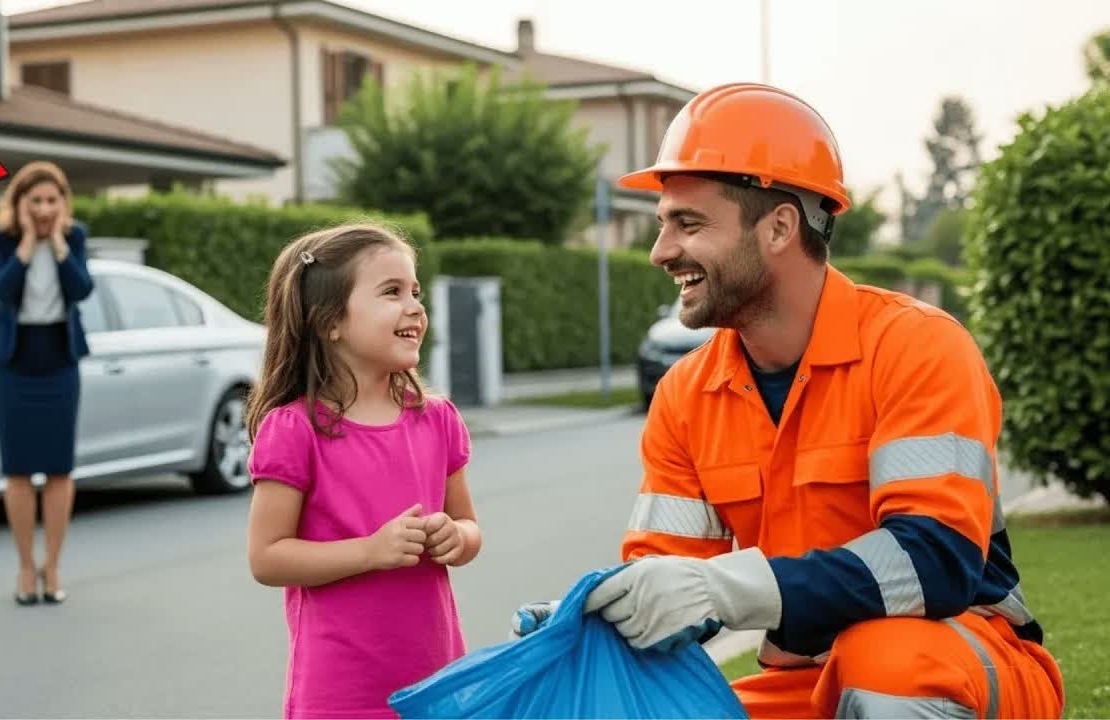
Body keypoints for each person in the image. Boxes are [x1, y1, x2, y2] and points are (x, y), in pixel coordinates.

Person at [511, 83, 1064, 719]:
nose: (660, 251)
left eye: (688, 224)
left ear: (779, 227)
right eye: (663, 224)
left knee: (886, 664)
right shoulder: (685, 395)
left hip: (959, 654)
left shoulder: (917, 347)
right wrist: (595, 617)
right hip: (805, 679)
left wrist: (724, 589)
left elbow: (935, 562)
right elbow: (672, 585)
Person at [245, 224, 482, 719]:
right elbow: (267, 557)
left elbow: (469, 527)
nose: (414, 307)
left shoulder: (438, 419)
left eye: (415, 291)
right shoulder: (294, 430)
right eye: (392, 292)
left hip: (436, 681)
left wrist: (455, 537)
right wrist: (370, 551)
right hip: (340, 694)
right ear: (330, 321)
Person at [0, 160, 94, 607]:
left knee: (60, 469)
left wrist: (59, 244)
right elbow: (2, 289)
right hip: (14, 364)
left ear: (63, 203)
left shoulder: (75, 237)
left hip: (59, 363)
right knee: (19, 471)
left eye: (52, 200)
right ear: (20, 203)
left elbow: (81, 290)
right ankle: (27, 567)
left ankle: (54, 566)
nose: (45, 208)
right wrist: (29, 240)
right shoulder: (1, 237)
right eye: (36, 201)